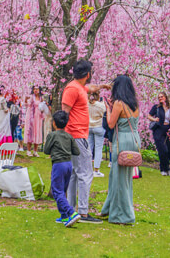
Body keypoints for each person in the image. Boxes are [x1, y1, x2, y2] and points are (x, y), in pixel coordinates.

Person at [61, 59, 110, 224]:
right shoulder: (72, 89)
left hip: (78, 135)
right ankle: (82, 212)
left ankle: (70, 211)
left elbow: (91, 88)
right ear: (88, 74)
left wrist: (103, 86)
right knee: (86, 173)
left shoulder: (80, 87)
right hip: (76, 136)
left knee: (75, 173)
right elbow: (64, 113)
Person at [101, 75, 141, 225]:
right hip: (134, 139)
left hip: (122, 139)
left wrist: (107, 109)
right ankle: (110, 208)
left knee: (119, 179)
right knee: (122, 177)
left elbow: (111, 124)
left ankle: (123, 215)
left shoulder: (119, 103)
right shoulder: (134, 104)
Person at [43, 110, 82, 227]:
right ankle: (64, 216)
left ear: (54, 123)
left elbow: (46, 150)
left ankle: (71, 212)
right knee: (63, 190)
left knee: (57, 191)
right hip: (68, 165)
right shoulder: (69, 136)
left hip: (58, 164)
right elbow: (77, 151)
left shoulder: (52, 135)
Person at [148, 92, 170, 177]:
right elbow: (149, 116)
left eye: (162, 97)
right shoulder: (156, 107)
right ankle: (166, 169)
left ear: (166, 97)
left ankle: (164, 169)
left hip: (167, 130)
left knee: (168, 151)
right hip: (158, 130)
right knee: (163, 150)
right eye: (159, 97)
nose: (160, 98)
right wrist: (154, 119)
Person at [88, 92, 106, 178]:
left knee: (89, 147)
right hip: (98, 126)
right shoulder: (101, 105)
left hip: (89, 126)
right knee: (98, 148)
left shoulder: (86, 104)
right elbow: (104, 114)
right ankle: (96, 170)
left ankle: (87, 168)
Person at [23, 86, 46, 156]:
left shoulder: (41, 98)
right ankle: (28, 150)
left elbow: (43, 107)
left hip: (38, 117)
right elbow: (27, 104)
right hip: (31, 116)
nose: (36, 90)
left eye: (37, 89)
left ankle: (35, 151)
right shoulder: (31, 97)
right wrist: (26, 100)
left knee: (37, 132)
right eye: (34, 89)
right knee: (30, 131)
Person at [0, 87, 12, 151]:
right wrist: (9, 109)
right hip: (2, 115)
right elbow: (5, 109)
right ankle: (3, 147)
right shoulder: (3, 99)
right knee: (3, 130)